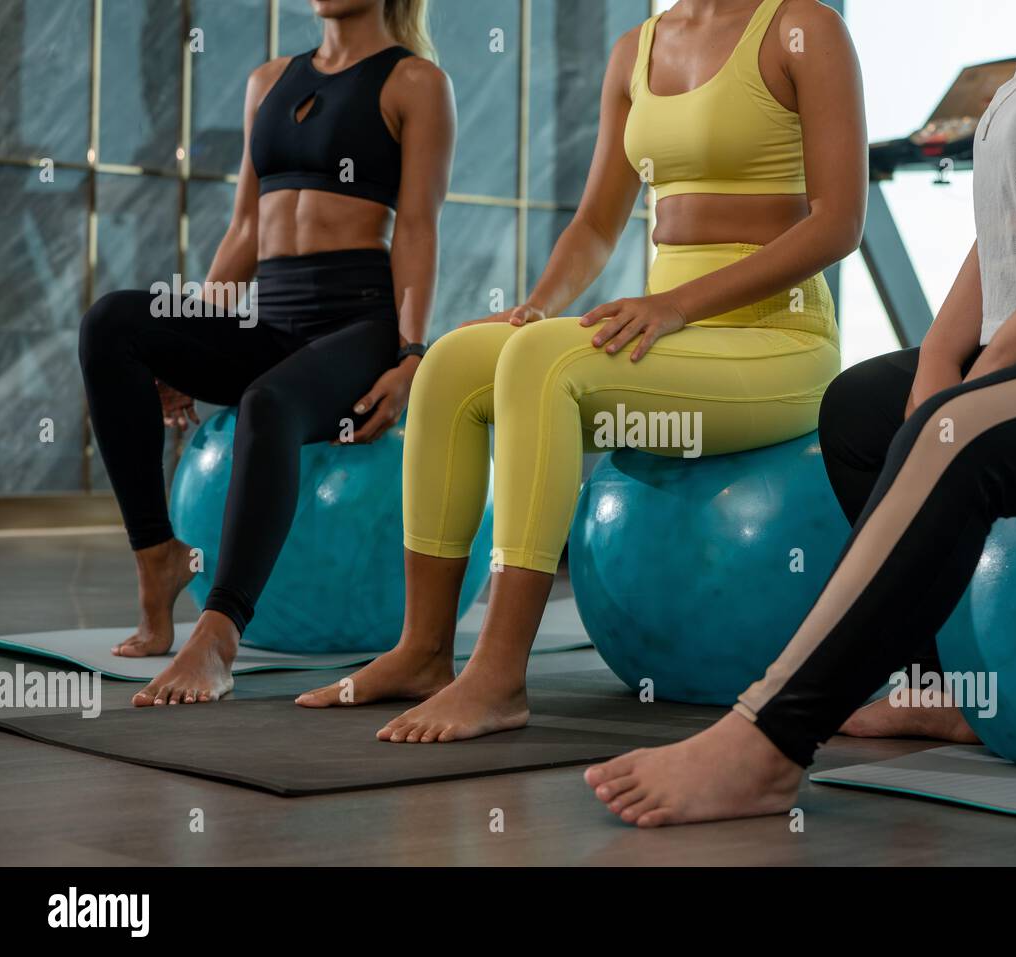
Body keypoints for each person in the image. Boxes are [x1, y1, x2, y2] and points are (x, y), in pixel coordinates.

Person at [585, 0, 1016, 826]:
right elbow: (1008, 228)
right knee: (864, 410)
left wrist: (992, 368)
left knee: (958, 432)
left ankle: (767, 741)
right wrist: (938, 359)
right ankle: (951, 685)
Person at [296, 0, 866, 747]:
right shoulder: (635, 50)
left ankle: (498, 676)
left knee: (545, 363)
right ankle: (424, 650)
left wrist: (675, 304)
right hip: (676, 331)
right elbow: (599, 223)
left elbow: (839, 220)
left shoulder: (803, 28)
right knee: (455, 363)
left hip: (778, 341)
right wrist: (532, 308)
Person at [78, 0, 454, 705]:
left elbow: (419, 230)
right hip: (270, 320)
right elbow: (246, 227)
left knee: (268, 404)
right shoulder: (268, 81)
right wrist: (192, 344)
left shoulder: (414, 83)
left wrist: (411, 354)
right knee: (112, 323)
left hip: (357, 325)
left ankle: (219, 636)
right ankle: (157, 557)